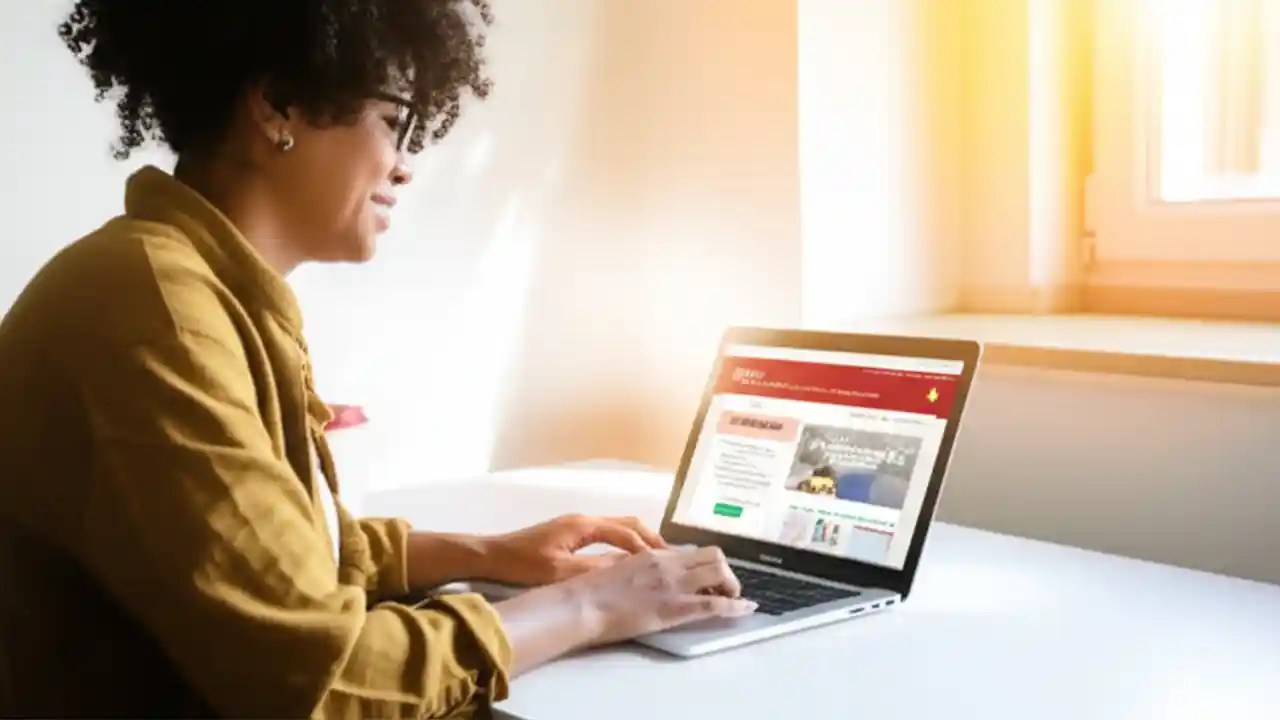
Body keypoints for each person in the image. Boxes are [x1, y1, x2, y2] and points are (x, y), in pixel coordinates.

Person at [0, 2, 756, 718]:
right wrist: (592, 606)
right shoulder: (155, 313)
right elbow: (316, 682)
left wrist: (494, 553)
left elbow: (293, 550)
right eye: (395, 123)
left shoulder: (189, 287)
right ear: (277, 108)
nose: (405, 166)